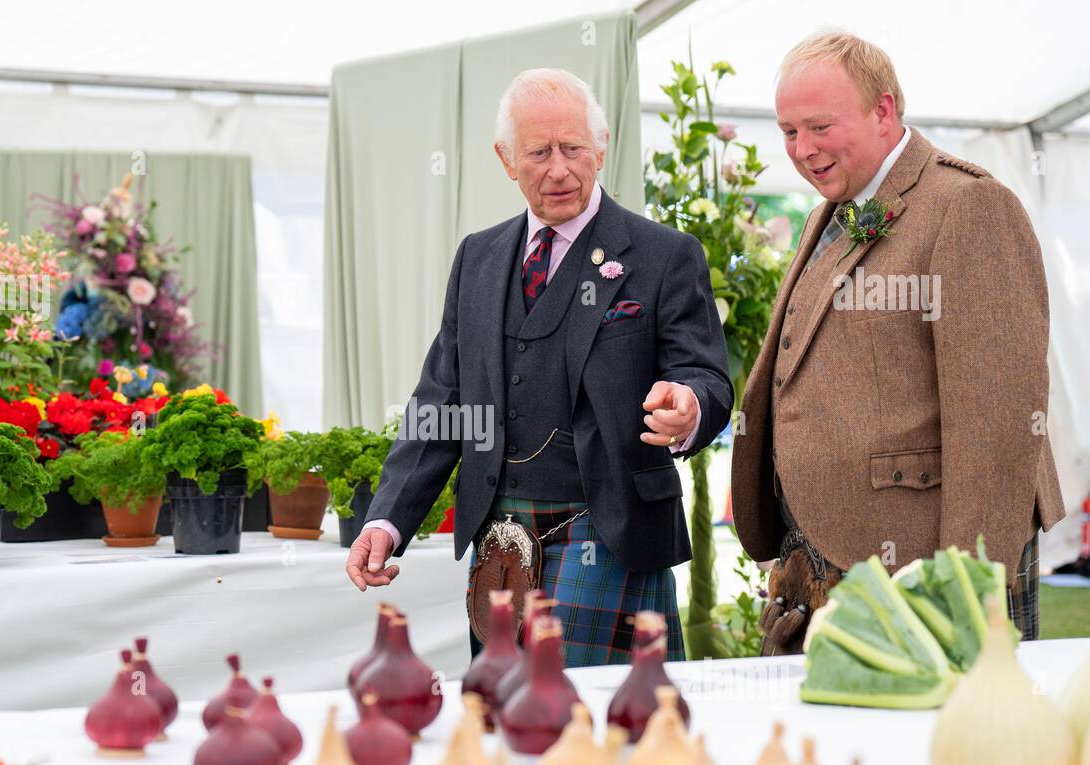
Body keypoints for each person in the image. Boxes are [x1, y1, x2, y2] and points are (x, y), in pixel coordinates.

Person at [344, 68, 732, 665]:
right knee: (502, 710)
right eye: (539, 152)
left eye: (573, 148)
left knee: (599, 720)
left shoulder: (663, 255)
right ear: (505, 159)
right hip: (500, 541)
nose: (559, 168)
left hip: (611, 533)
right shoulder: (478, 257)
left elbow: (705, 375)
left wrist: (690, 405)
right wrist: (387, 520)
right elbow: (443, 403)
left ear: (600, 148)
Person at [731, 31, 1064, 653]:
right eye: (788, 132)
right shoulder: (827, 210)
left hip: (925, 567)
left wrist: (961, 592)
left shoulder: (969, 205)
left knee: (945, 746)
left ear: (883, 110)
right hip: (821, 559)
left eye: (818, 127)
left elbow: (998, 421)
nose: (802, 151)